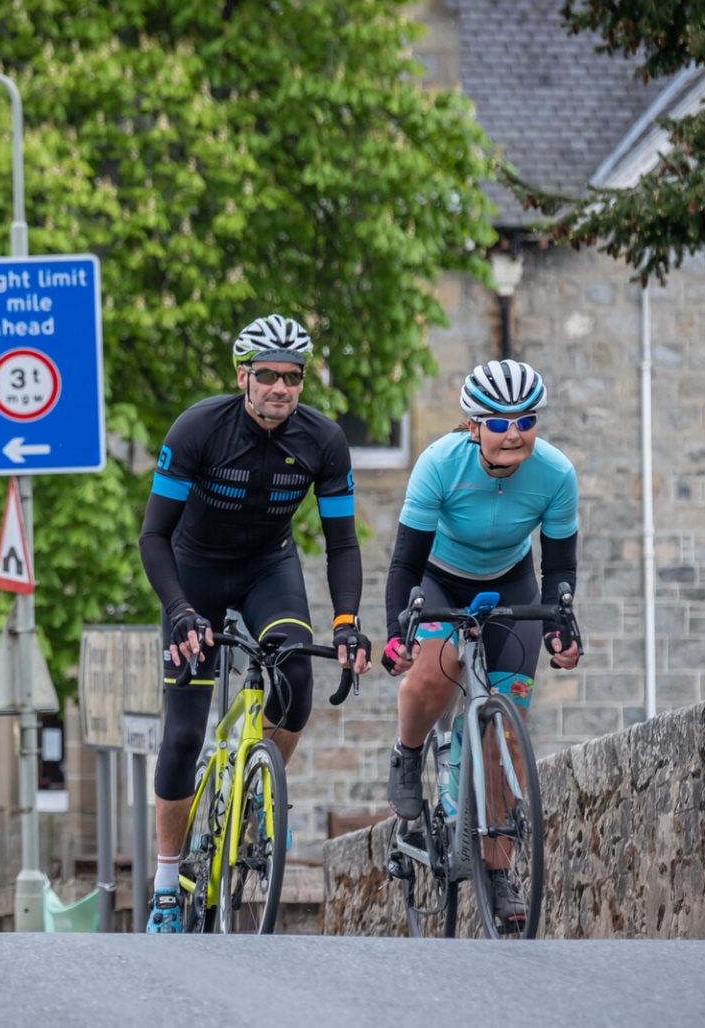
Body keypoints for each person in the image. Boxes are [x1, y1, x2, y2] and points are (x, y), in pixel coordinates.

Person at [138, 314, 369, 934]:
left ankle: (260, 789)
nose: (280, 387)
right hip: (195, 575)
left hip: (269, 569)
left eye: (292, 376)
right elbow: (153, 536)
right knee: (183, 734)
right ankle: (166, 884)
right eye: (267, 375)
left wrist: (347, 621)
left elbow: (342, 544)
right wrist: (180, 611)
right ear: (243, 376)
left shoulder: (324, 440)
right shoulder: (198, 429)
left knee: (296, 680)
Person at [382, 358, 582, 928]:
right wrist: (398, 633)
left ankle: (498, 873)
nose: (514, 433)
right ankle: (409, 753)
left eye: (526, 420)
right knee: (433, 671)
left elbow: (558, 567)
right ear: (473, 427)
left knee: (507, 733)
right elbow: (405, 563)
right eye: (498, 422)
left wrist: (560, 628)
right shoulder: (439, 464)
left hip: (510, 582)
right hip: (439, 578)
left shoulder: (556, 473)